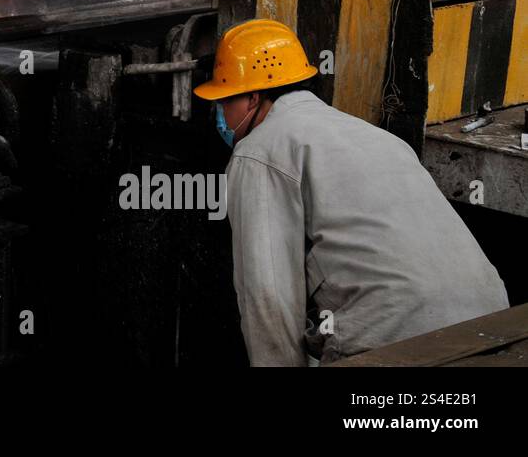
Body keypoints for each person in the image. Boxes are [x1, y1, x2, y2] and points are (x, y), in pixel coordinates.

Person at [194, 19, 509, 366]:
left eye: (224, 102)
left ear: (253, 96)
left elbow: (268, 299)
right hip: (491, 322)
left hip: (398, 336)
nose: (221, 115)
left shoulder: (259, 152)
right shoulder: (376, 137)